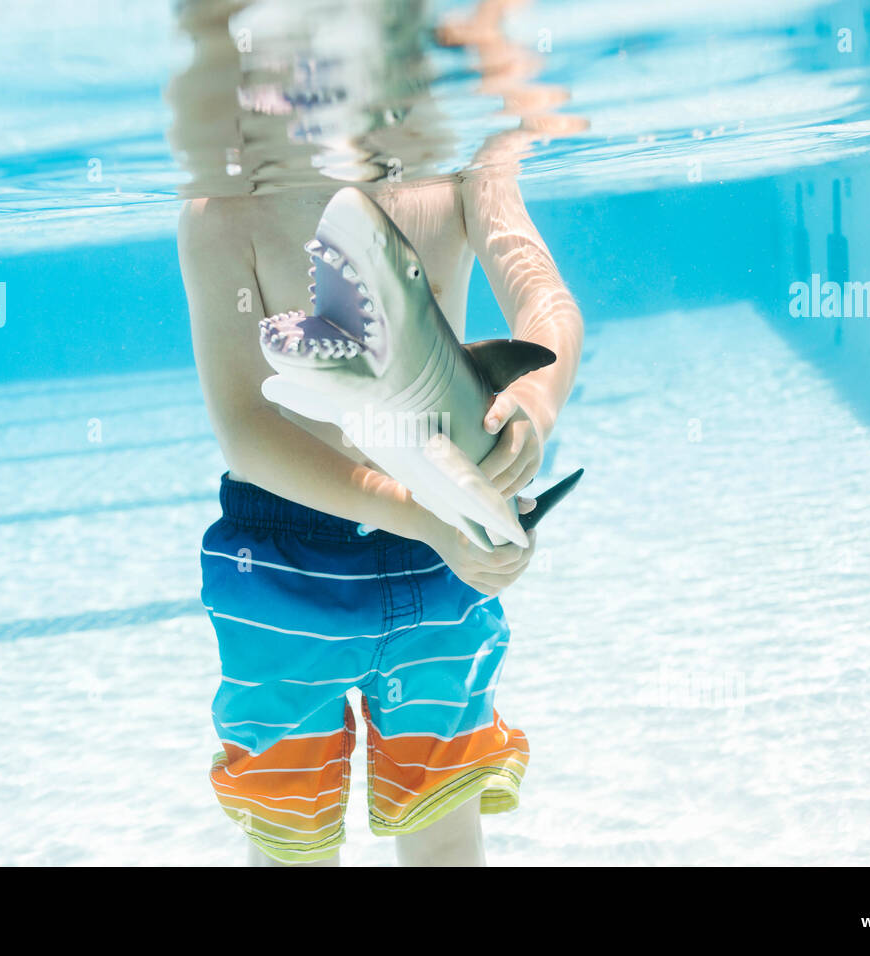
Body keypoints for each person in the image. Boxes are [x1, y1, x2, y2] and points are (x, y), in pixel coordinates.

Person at [173, 0, 583, 867]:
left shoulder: (464, 169)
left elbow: (544, 311)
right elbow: (249, 431)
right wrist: (429, 516)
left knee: (442, 827)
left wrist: (532, 412)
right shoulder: (225, 205)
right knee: (293, 843)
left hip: (444, 553)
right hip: (284, 562)